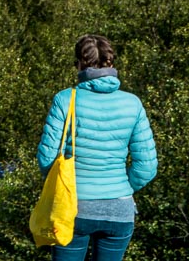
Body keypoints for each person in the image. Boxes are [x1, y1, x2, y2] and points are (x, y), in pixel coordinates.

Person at [36, 34, 157, 260]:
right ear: (111, 63)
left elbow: (46, 159)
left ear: (79, 64)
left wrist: (59, 187)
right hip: (119, 209)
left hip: (73, 208)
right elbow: (147, 167)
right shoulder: (133, 103)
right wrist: (120, 188)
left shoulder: (65, 99)